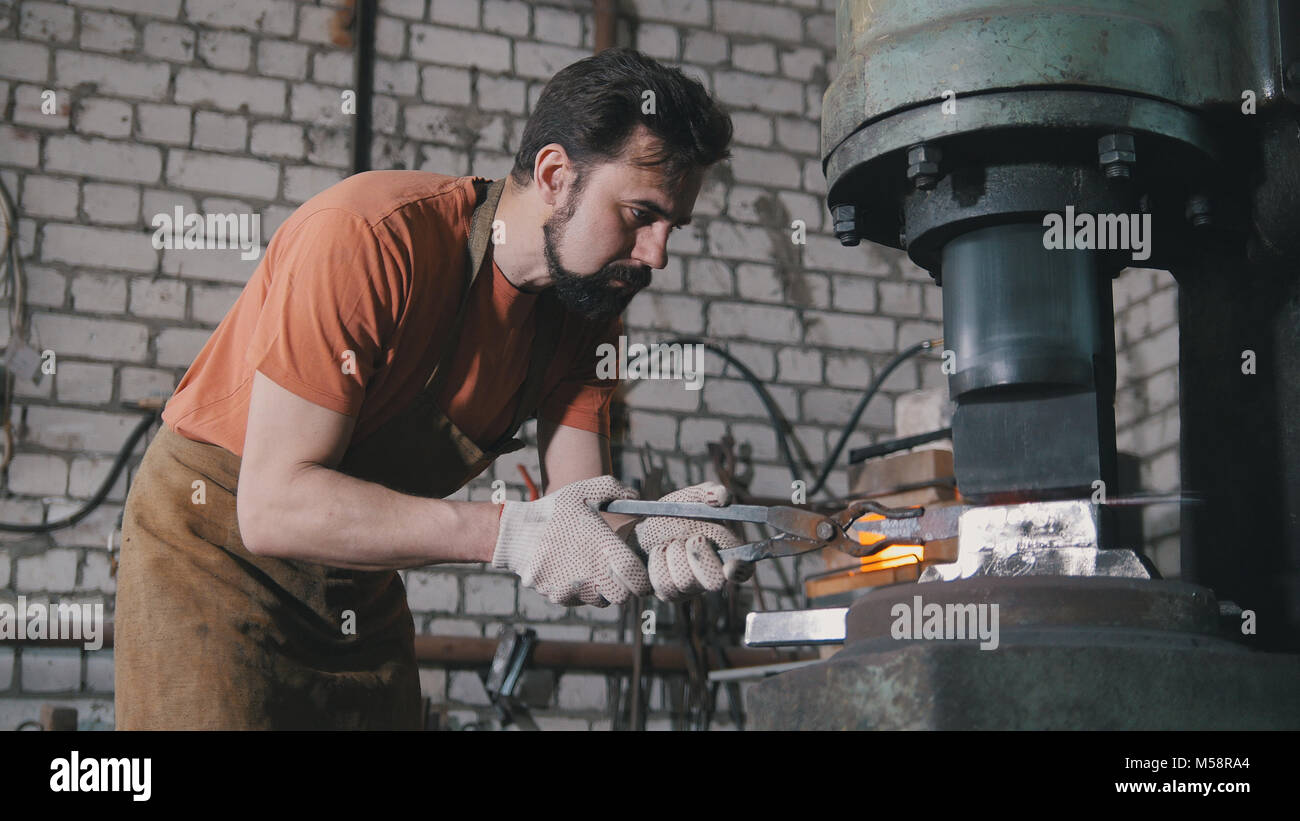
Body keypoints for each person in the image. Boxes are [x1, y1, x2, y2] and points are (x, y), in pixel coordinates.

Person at [114, 48, 746, 729]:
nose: (657, 255)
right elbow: (273, 507)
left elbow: (575, 510)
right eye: (639, 215)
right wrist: (504, 533)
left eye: (671, 227)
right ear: (556, 174)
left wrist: (653, 534)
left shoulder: (587, 314)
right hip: (216, 550)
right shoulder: (369, 239)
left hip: (354, 577)